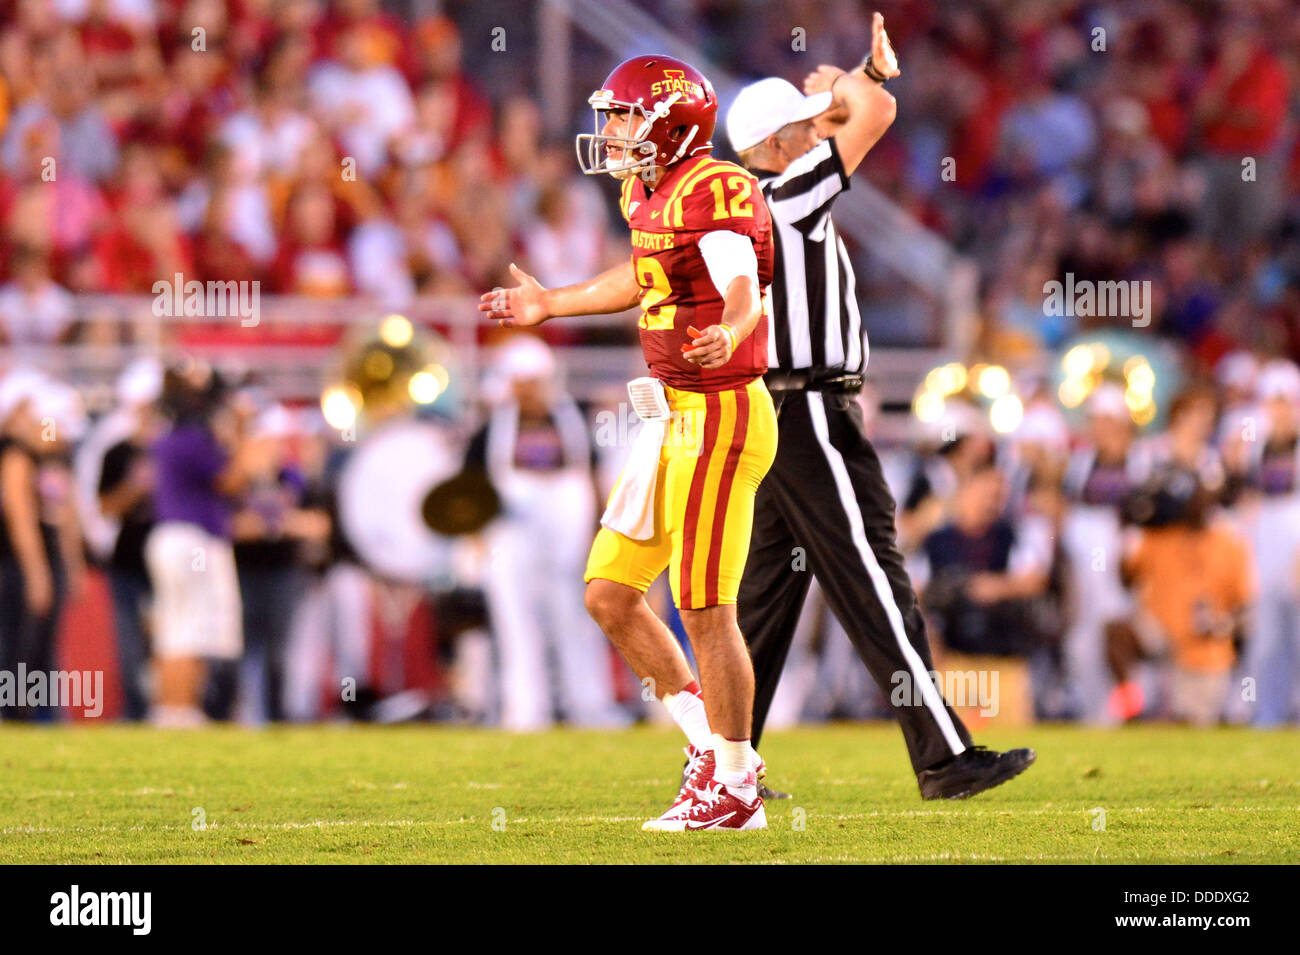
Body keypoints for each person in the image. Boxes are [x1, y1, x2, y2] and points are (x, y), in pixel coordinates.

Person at [725, 12, 1035, 799]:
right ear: (772, 147)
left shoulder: (759, 194)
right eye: (797, 130)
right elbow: (871, 117)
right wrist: (846, 84)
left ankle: (725, 769)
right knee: (872, 574)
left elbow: (852, 112)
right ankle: (942, 754)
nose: (812, 134)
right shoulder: (786, 192)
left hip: (778, 410)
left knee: (765, 597)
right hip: (808, 412)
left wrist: (861, 75)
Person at [481, 54, 777, 831]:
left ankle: (739, 787)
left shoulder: (717, 186)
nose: (610, 130)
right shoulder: (651, 191)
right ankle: (706, 751)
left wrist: (732, 329)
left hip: (722, 411)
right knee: (610, 593)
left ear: (669, 122)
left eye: (622, 116)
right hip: (673, 414)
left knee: (704, 603)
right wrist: (553, 303)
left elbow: (742, 280)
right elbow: (642, 276)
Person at [470, 338, 626, 731]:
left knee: (577, 620)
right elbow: (470, 490)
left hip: (567, 539)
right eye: (519, 383)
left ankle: (589, 705)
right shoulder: (491, 431)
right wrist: (476, 541)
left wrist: (599, 530)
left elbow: (592, 477)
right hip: (511, 537)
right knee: (515, 623)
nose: (526, 392)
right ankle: (524, 711)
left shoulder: (571, 417)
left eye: (532, 382)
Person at [146, 363, 272, 727]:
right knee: (189, 629)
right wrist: (246, 437)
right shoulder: (191, 440)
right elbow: (232, 482)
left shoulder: (171, 438)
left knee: (177, 627)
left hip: (173, 539)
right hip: (193, 541)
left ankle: (173, 709)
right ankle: (178, 710)